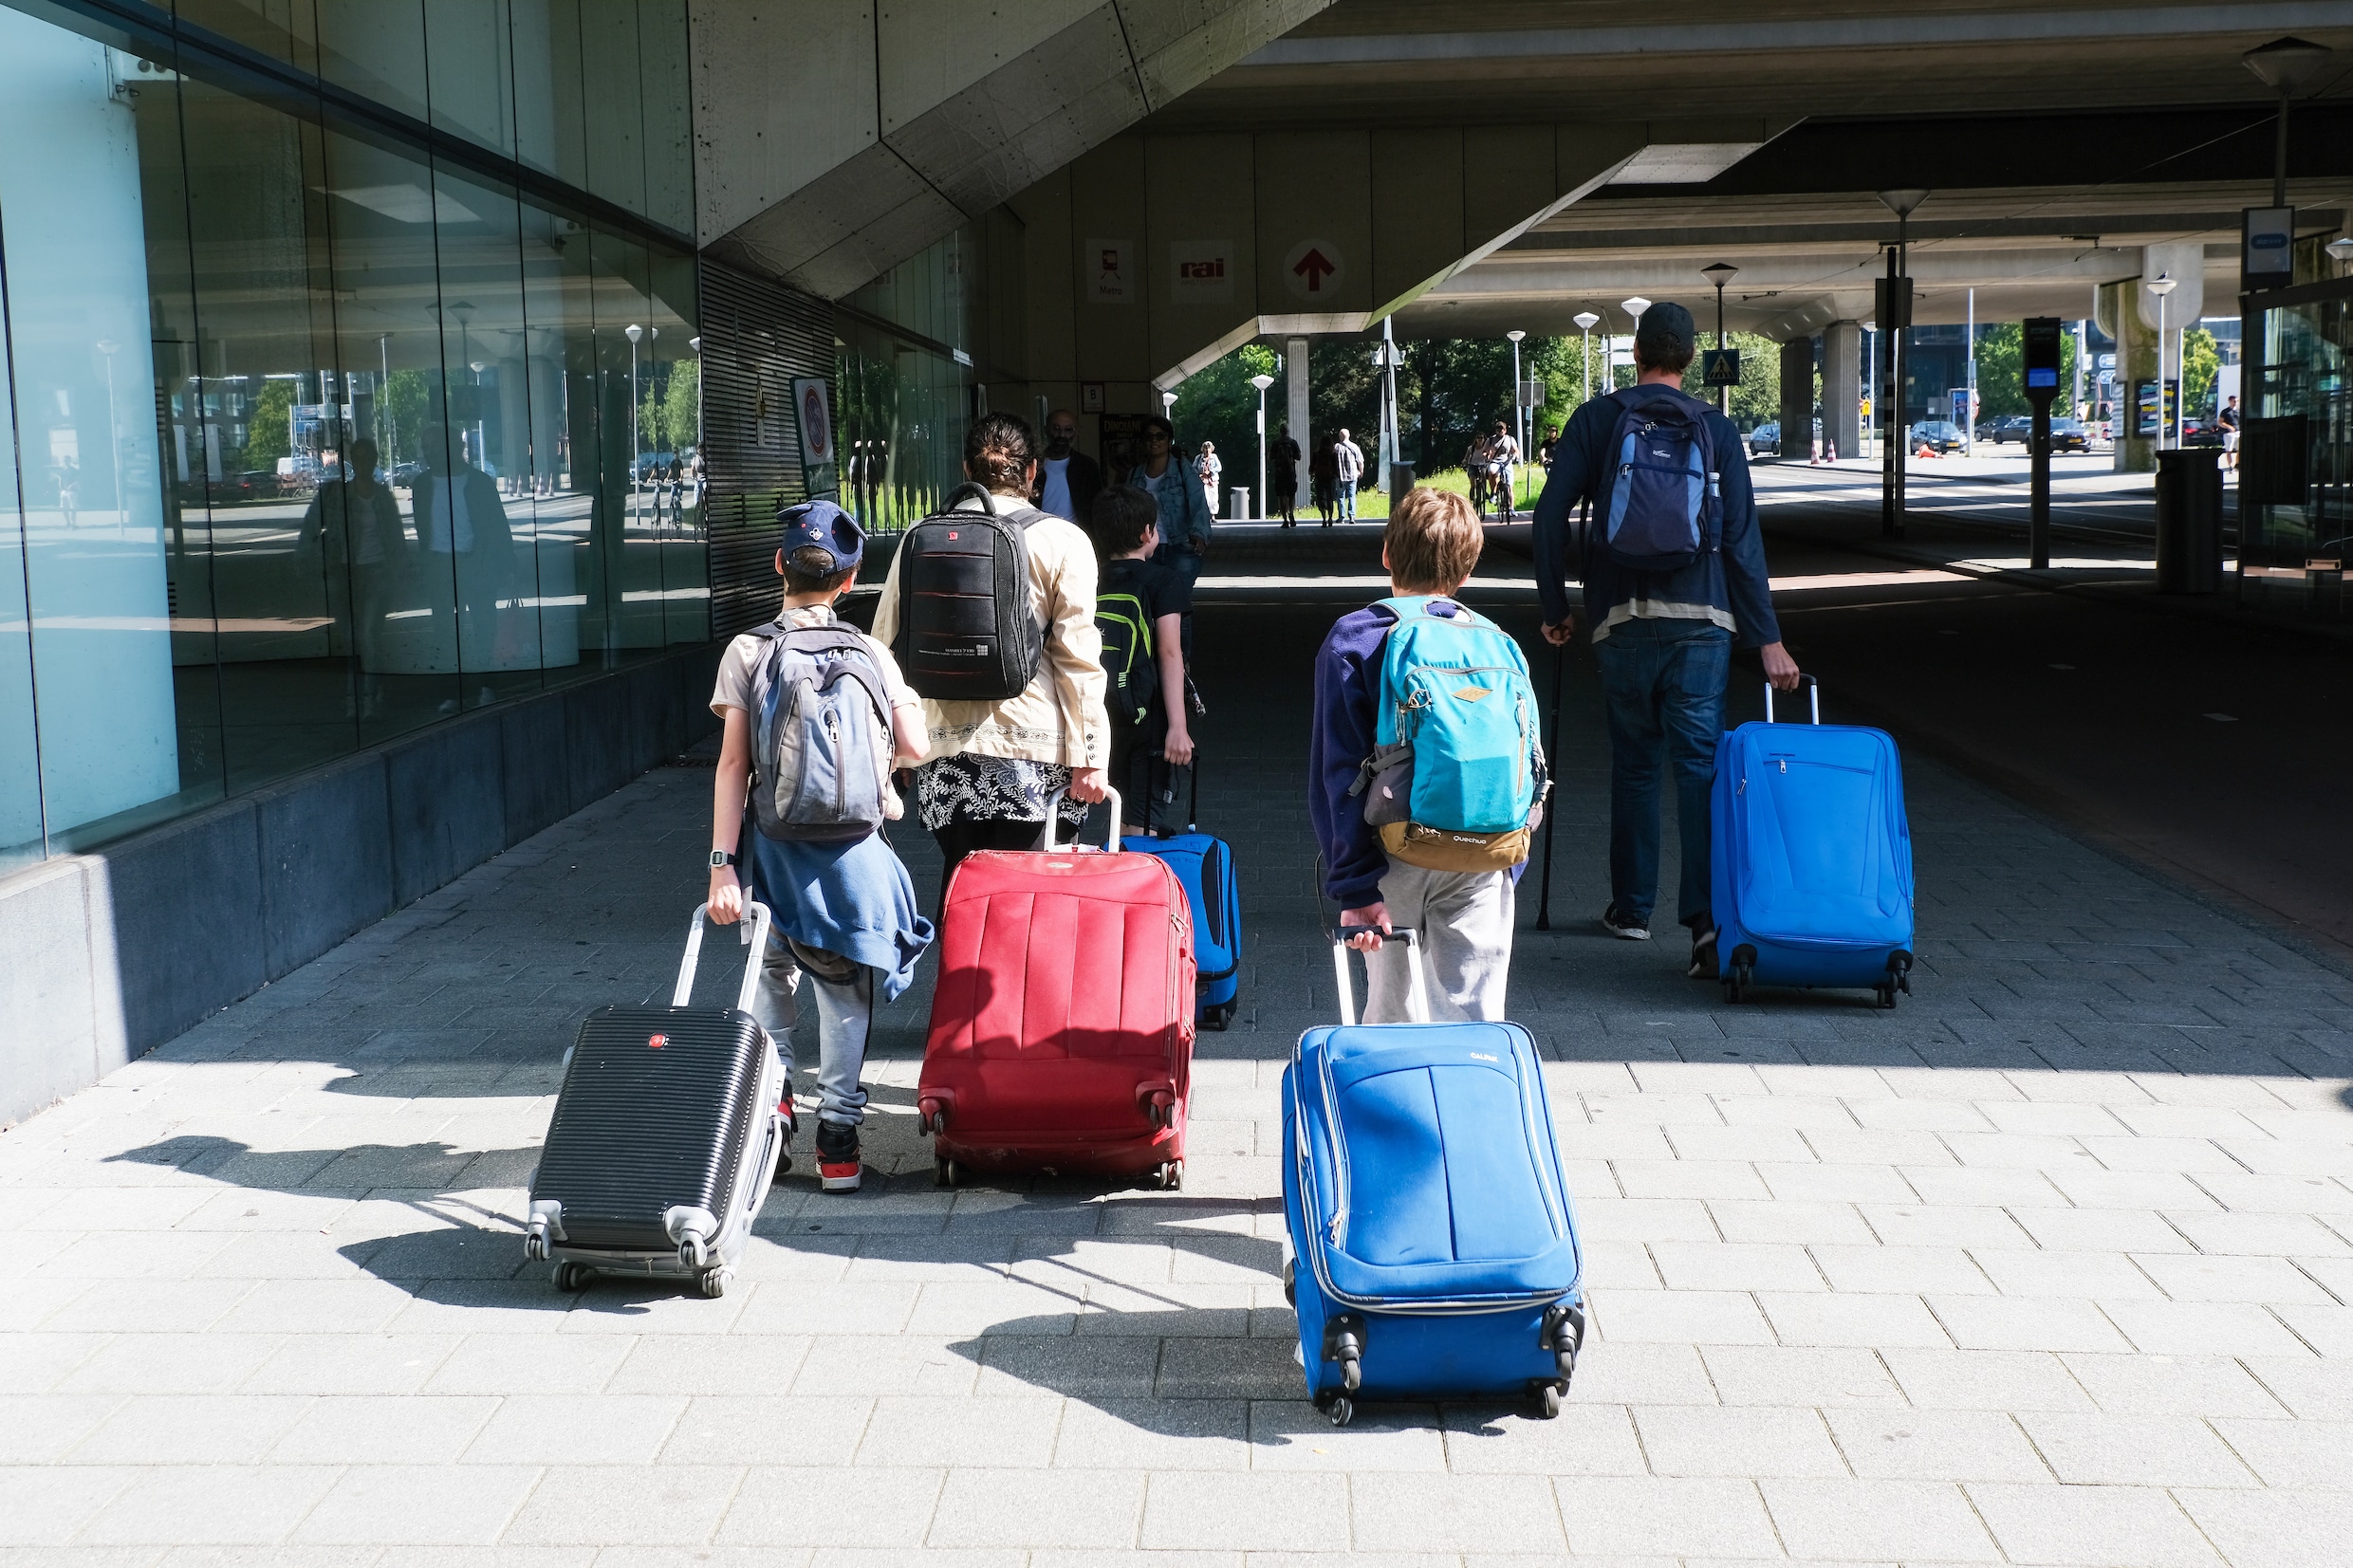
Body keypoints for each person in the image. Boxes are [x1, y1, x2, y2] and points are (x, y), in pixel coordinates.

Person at [1531, 301, 1800, 981]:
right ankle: (1706, 926)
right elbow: (1742, 542)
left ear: (1639, 349)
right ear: (1688, 356)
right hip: (1703, 625)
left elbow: (1546, 518)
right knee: (1700, 769)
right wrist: (1767, 640)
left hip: (1620, 620)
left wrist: (1556, 606)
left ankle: (1631, 908)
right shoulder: (1716, 428)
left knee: (1635, 763)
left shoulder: (1597, 420)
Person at [707, 502, 935, 1193]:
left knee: (772, 976)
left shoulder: (748, 650)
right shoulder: (872, 653)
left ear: (779, 565)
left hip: (773, 856)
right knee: (846, 991)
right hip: (853, 862)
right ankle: (838, 1141)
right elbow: (918, 746)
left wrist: (722, 866)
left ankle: (773, 1113)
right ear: (850, 578)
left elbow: (732, 766)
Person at [870, 412, 1112, 901]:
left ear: (966, 470)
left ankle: (959, 975)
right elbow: (1078, 659)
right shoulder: (1064, 541)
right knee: (1033, 905)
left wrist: (891, 748)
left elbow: (883, 644)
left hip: (945, 752)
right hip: (1039, 755)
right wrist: (1091, 757)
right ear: (1032, 472)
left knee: (965, 894)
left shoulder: (922, 535)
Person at [1309, 488, 1527, 1023]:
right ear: (1468, 570)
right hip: (1484, 851)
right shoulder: (1493, 639)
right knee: (1474, 1017)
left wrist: (1353, 885)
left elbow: (1336, 773)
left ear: (1386, 553)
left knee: (1392, 1012)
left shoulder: (1355, 639)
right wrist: (1505, 863)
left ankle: (1394, 1103)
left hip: (1394, 852)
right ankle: (1473, 1102)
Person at [1086, 484, 1196, 833]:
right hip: (1147, 718)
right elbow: (1169, 651)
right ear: (1147, 533)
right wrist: (1178, 727)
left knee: (1095, 809)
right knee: (1141, 820)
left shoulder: (1088, 580)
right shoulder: (1164, 581)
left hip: (1095, 713)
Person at [299, 437, 408, 710]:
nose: (364, 464)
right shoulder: (334, 495)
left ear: (374, 461)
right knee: (349, 637)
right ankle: (362, 688)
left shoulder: (382, 496)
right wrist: (308, 564)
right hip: (344, 573)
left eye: (368, 459)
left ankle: (366, 695)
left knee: (370, 634)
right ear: (352, 461)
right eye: (358, 459)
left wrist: (401, 572)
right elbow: (309, 530)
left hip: (378, 572)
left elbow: (396, 538)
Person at [1034, 408, 1103, 523]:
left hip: (1077, 536)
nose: (1062, 435)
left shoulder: (1087, 467)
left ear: (1077, 432)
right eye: (1056, 429)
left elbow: (1098, 507)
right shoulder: (1034, 465)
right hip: (1039, 533)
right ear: (1046, 430)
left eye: (1068, 430)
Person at [1269, 422, 1302, 526]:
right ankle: (1291, 513)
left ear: (1280, 431)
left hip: (1279, 473)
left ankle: (1285, 520)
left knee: (1281, 496)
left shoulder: (1276, 443)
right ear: (1288, 431)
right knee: (1291, 495)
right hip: (1291, 473)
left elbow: (1270, 457)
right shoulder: (1293, 443)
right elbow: (1299, 457)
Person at [1489, 420, 1522, 523]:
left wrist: (1516, 456)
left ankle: (1511, 508)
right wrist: (1486, 455)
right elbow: (1485, 451)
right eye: (1498, 429)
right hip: (1495, 462)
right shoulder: (1491, 440)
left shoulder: (1510, 439)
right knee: (1491, 471)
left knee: (1509, 487)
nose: (1500, 431)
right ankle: (1494, 493)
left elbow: (1516, 450)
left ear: (1505, 430)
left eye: (1502, 429)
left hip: (1507, 463)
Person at [1334, 427, 1365, 521]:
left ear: (1340, 436)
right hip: (1352, 475)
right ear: (1349, 435)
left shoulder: (1336, 447)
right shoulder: (1354, 447)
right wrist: (1361, 471)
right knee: (1352, 496)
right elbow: (1360, 461)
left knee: (1340, 497)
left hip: (1340, 476)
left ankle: (1341, 517)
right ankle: (1352, 516)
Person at [1310, 432, 1340, 526]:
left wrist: (1311, 473)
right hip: (1331, 478)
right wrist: (1339, 478)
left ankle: (1324, 519)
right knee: (1330, 498)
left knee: (1321, 498)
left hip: (1319, 478)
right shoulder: (1333, 454)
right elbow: (1336, 467)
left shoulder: (1316, 453)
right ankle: (1330, 518)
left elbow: (1312, 466)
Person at [1195, 440, 1222, 517]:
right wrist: (1199, 474)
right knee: (1205, 498)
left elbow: (1219, 467)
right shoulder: (1198, 458)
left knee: (1214, 498)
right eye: (1205, 448)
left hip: (1213, 481)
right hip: (1203, 481)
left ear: (1211, 449)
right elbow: (1193, 468)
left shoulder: (1214, 457)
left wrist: (1211, 471)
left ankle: (1213, 515)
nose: (1207, 450)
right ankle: (1205, 515)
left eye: (1208, 448)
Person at [2217, 394, 2241, 470]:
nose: (2236, 403)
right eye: (2234, 401)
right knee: (2229, 450)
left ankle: (2237, 464)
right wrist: (2229, 427)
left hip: (2238, 432)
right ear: (2230, 401)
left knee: (2240, 450)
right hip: (2229, 433)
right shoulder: (2225, 411)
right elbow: (2220, 422)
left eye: (2237, 401)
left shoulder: (2238, 411)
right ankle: (2230, 466)